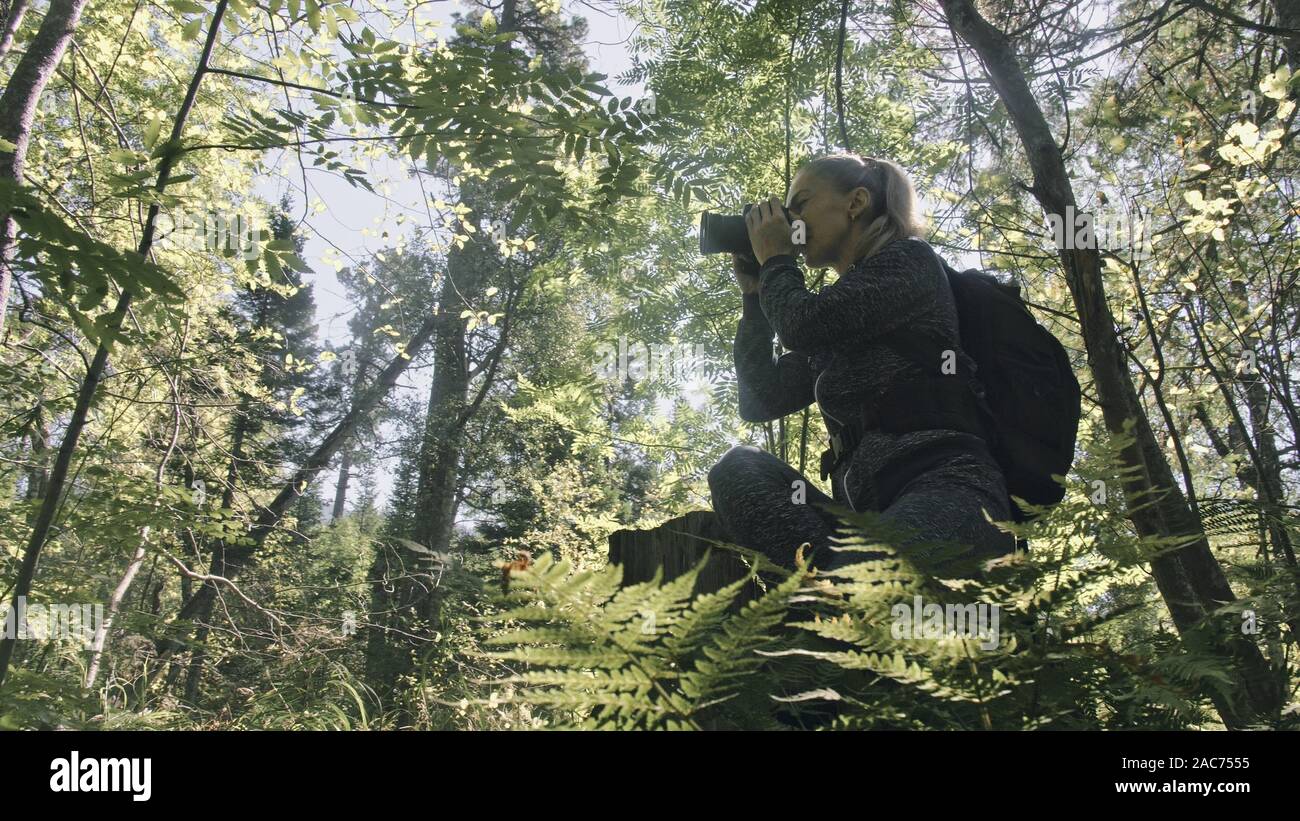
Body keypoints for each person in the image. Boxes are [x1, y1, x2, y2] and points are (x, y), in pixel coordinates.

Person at [706, 153, 1017, 576]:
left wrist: (777, 260)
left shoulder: (910, 261)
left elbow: (804, 325)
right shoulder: (839, 323)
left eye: (799, 204)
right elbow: (761, 400)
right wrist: (755, 297)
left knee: (869, 579)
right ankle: (827, 597)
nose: (789, 218)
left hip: (948, 488)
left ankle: (835, 595)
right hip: (863, 519)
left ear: (855, 203)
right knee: (738, 469)